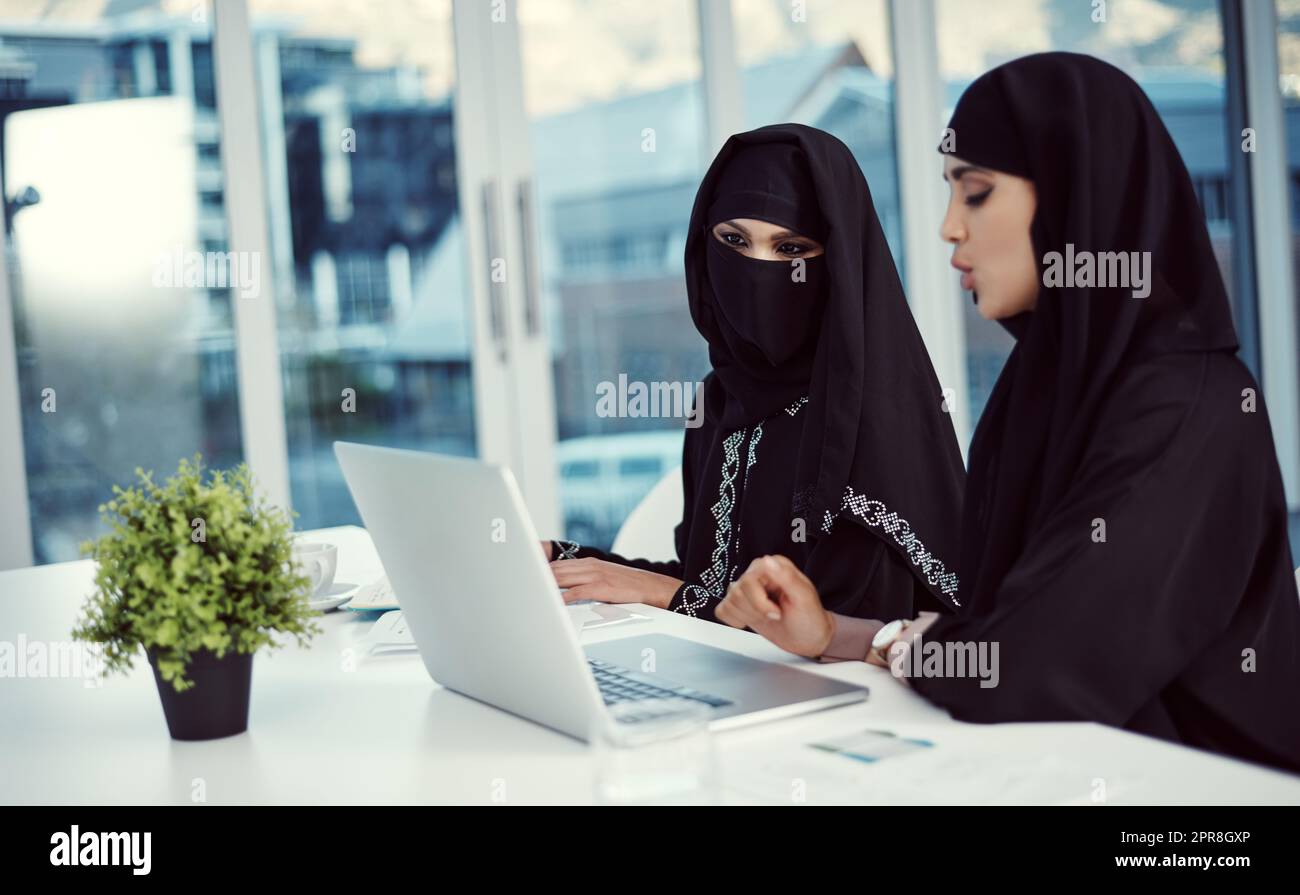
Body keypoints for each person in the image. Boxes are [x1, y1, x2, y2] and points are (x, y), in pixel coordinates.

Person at [717, 54, 1300, 773]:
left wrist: (885, 643)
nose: (949, 228)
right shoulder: (1044, 386)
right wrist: (834, 632)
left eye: (977, 193)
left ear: (1072, 194)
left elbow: (1027, 665)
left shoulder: (1191, 407)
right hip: (1055, 770)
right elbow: (998, 629)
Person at [542, 122, 965, 626]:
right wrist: (564, 560)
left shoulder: (869, 415)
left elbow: (842, 627)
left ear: (839, 265)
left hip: (851, 701)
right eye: (733, 240)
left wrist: (667, 594)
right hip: (734, 683)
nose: (756, 271)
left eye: (790, 250)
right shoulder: (721, 400)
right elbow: (712, 582)